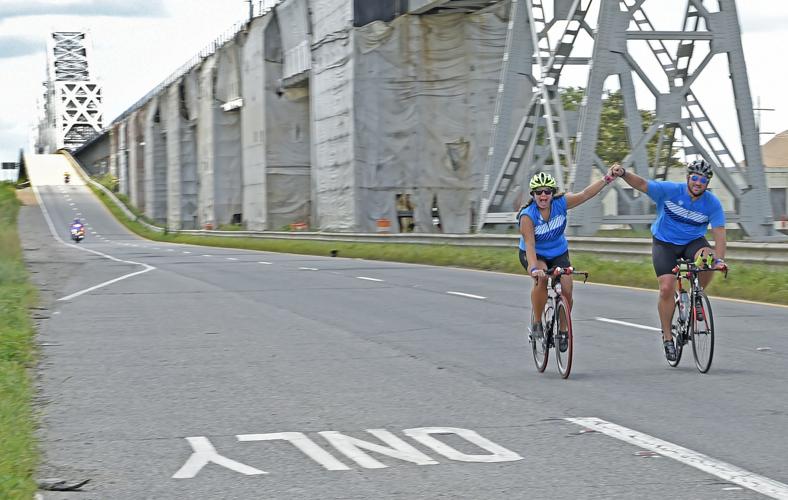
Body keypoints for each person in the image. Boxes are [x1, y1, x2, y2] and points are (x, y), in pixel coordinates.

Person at [611, 159, 728, 362]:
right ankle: (667, 337)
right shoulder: (670, 190)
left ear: (707, 183)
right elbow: (642, 184)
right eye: (694, 178)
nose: (698, 183)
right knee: (666, 288)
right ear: (687, 178)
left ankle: (697, 293)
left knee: (709, 258)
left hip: (692, 241)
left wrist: (720, 260)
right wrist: (623, 173)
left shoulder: (712, 203)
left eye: (703, 179)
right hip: (665, 242)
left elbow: (719, 234)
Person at [518, 169, 619, 351]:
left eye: (547, 191)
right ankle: (537, 322)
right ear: (533, 195)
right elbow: (530, 245)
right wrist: (533, 269)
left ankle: (563, 330)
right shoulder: (527, 215)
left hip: (558, 252)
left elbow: (586, 194)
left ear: (552, 193)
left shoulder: (561, 203)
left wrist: (607, 178)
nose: (543, 195)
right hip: (535, 254)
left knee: (567, 288)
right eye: (538, 192)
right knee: (541, 279)